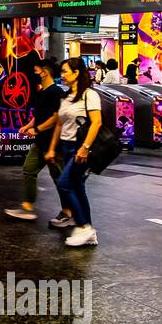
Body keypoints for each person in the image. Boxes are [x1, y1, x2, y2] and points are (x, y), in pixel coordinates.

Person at [49, 57, 103, 247]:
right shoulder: (65, 97)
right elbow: (59, 124)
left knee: (65, 183)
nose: (62, 75)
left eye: (65, 71)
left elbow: (96, 122)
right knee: (78, 187)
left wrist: (85, 148)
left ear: (76, 73)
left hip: (80, 148)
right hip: (66, 146)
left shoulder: (90, 95)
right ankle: (89, 231)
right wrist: (52, 148)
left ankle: (84, 226)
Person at [5, 57, 67, 221]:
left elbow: (56, 117)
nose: (34, 73)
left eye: (36, 70)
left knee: (60, 179)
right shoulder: (42, 92)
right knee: (29, 170)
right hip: (40, 142)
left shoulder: (56, 92)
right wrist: (28, 126)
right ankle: (27, 206)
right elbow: (39, 115)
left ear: (45, 72)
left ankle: (68, 211)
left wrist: (37, 129)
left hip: (53, 142)